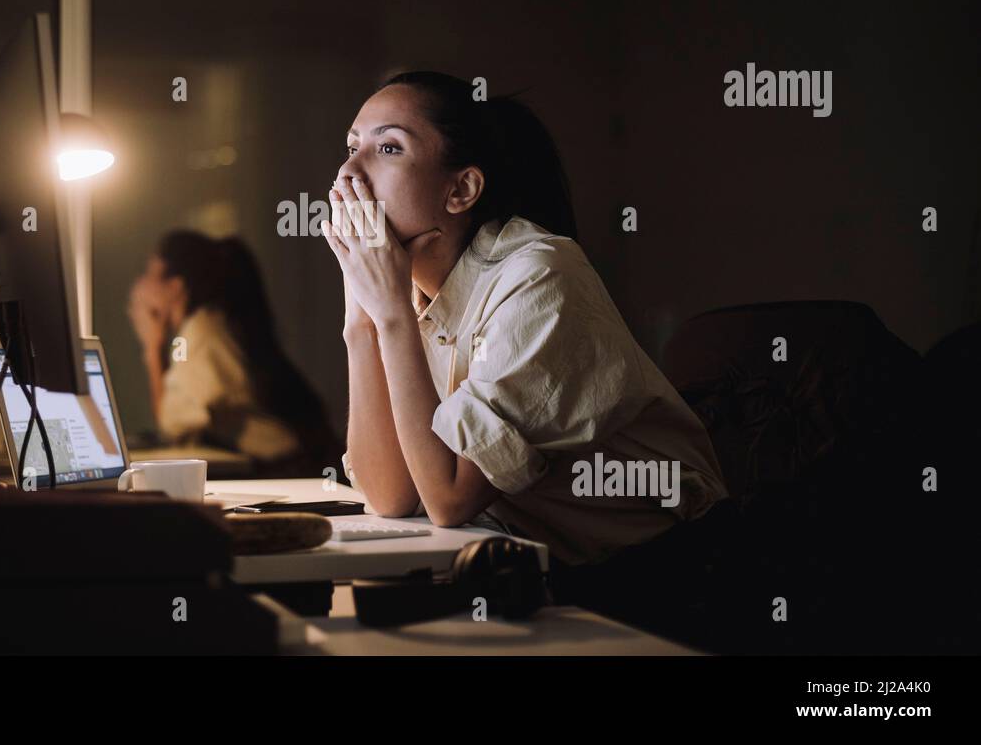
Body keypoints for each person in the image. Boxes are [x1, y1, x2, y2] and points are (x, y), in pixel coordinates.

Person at [322, 70, 733, 625]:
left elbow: (447, 499)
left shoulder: (539, 274)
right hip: (534, 569)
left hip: (659, 578)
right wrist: (363, 319)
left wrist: (390, 315)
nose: (349, 173)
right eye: (351, 147)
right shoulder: (410, 291)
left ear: (461, 189)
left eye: (387, 147)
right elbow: (390, 496)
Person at [128, 230, 338, 478]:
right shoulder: (212, 324)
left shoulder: (200, 332)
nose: (139, 286)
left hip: (292, 471)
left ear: (175, 286)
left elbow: (173, 423)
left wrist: (152, 348)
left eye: (149, 274)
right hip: (294, 465)